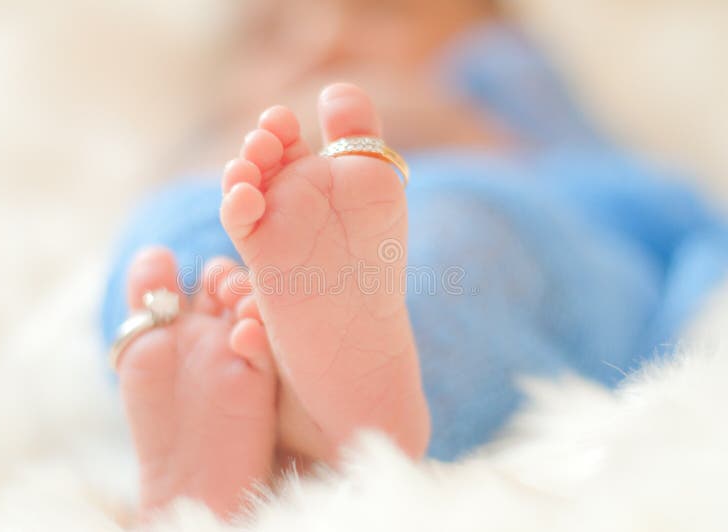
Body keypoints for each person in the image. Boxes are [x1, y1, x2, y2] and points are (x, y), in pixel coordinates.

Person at [100, 0, 728, 519]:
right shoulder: (218, 145)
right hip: (249, 246)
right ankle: (229, 385)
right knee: (170, 240)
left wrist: (469, 135)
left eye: (384, 10)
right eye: (272, 34)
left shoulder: (501, 100)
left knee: (466, 238)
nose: (326, 38)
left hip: (475, 203)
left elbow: (629, 198)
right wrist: (216, 163)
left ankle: (337, 404)